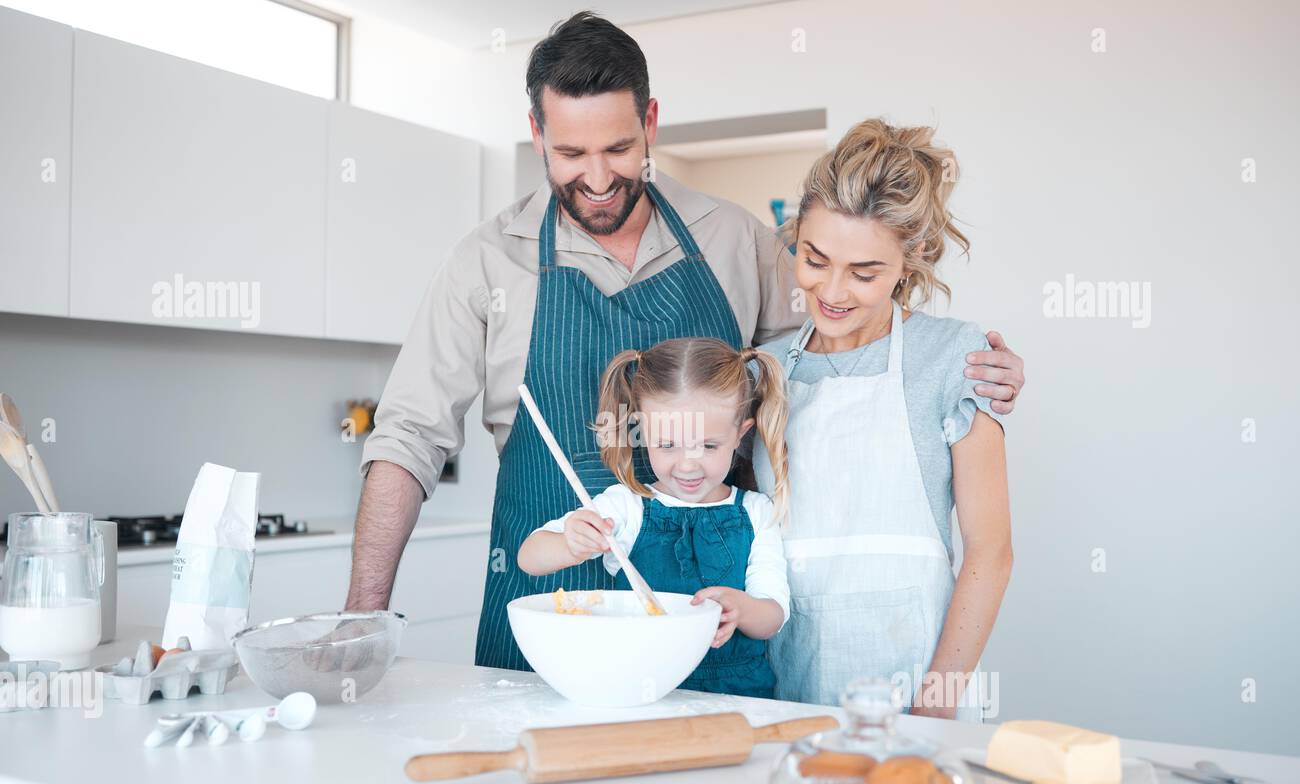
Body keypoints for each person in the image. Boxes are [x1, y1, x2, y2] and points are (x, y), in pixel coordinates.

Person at [346, 13, 1027, 678]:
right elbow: (406, 440)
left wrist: (968, 369)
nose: (599, 177)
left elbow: (844, 327)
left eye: (617, 149)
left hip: (697, 630)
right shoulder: (487, 263)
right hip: (546, 621)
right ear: (536, 133)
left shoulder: (734, 240)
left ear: (650, 123)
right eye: (570, 154)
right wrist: (362, 618)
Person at [754, 118, 1013, 721]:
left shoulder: (956, 358)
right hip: (779, 685)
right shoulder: (763, 370)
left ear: (912, 259)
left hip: (917, 690)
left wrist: (936, 706)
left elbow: (990, 551)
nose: (834, 291)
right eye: (814, 260)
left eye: (865, 273)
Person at [518, 338, 791, 696]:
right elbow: (529, 557)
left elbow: (773, 616)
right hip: (636, 687)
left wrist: (742, 610)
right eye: (666, 445)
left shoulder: (758, 513)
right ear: (642, 433)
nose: (688, 463)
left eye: (709, 446)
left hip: (736, 695)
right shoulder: (627, 507)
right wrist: (571, 543)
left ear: (740, 433)